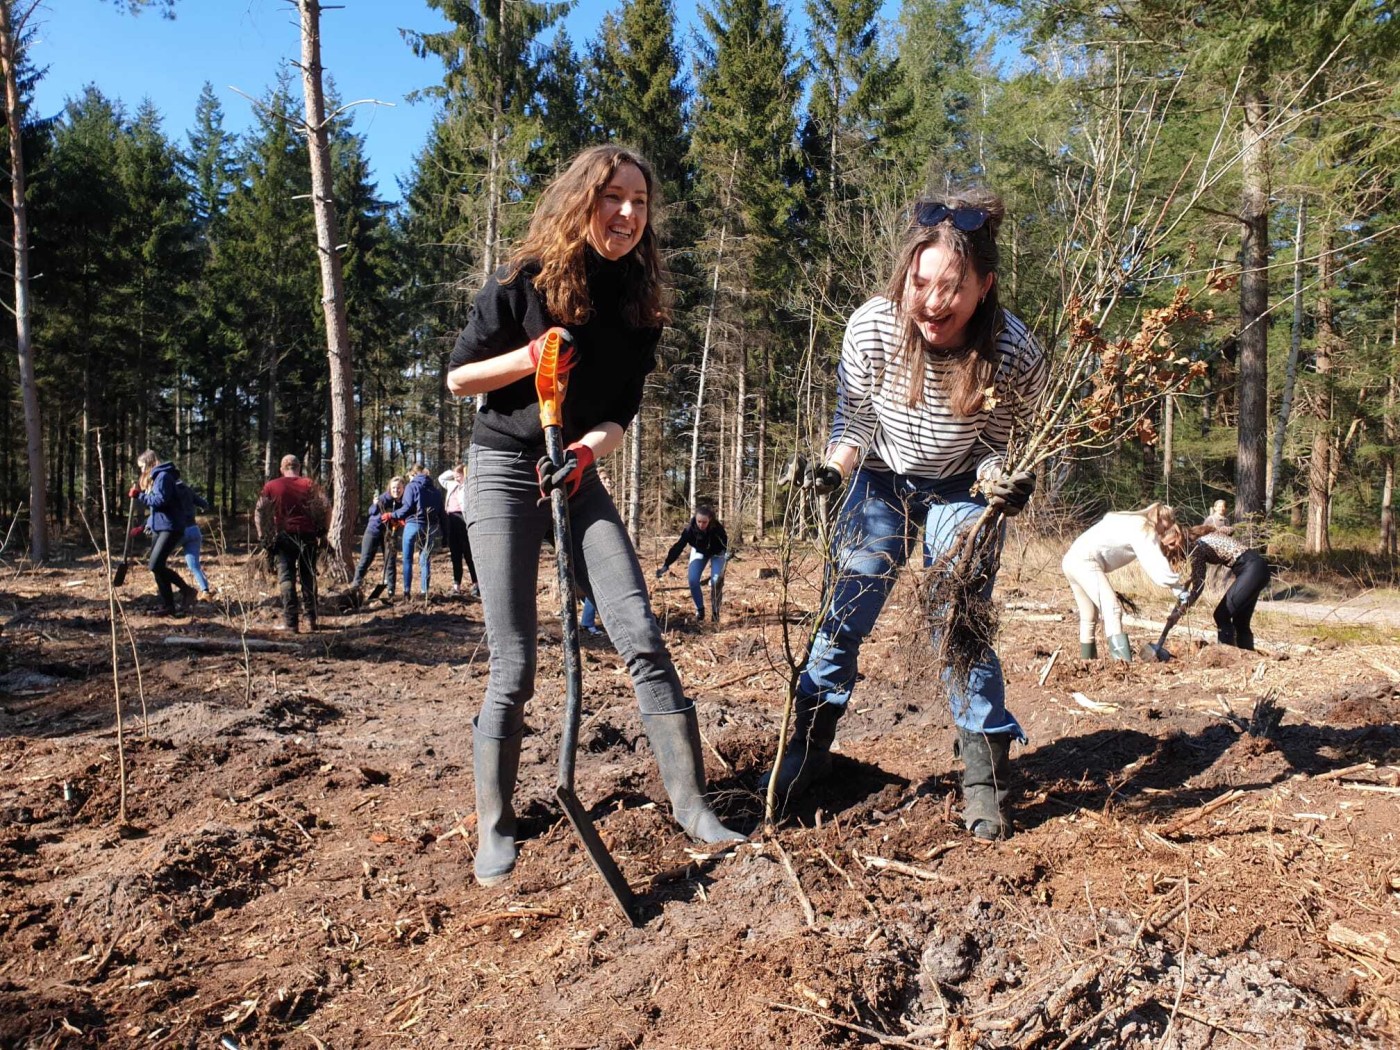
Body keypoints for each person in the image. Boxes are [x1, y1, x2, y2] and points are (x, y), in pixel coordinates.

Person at [445, 143, 743, 886]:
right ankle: (495, 826)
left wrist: (583, 454)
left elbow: (618, 418)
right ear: (583, 201)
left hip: (574, 472)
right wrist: (532, 357)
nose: (627, 213)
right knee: (515, 662)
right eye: (613, 197)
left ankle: (692, 805)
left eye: (640, 202)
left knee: (640, 630)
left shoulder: (641, 307)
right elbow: (459, 378)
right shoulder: (521, 282)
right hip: (504, 469)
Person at [766, 191, 1046, 841]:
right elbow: (856, 421)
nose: (932, 303)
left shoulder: (1014, 351)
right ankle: (805, 749)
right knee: (849, 599)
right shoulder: (874, 327)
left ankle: (984, 777)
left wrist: (1003, 482)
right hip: (880, 474)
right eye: (920, 283)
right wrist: (831, 472)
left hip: (963, 484)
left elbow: (1002, 444)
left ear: (984, 286)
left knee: (958, 614)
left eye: (952, 288)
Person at [1061, 503, 1188, 661]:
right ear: (1158, 518)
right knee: (1112, 608)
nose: (1162, 533)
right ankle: (1121, 664)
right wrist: (1178, 588)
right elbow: (1155, 564)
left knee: (1089, 615)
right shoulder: (1144, 528)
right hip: (1085, 562)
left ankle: (1087, 663)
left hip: (1070, 560)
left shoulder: (1128, 519)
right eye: (1164, 527)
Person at [1164, 525, 1270, 650]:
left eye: (1172, 544)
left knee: (1221, 615)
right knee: (1240, 622)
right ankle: (1246, 656)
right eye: (1166, 546)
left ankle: (1225, 655)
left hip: (1251, 569)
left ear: (1181, 536)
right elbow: (1229, 529)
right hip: (1258, 567)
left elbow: (1198, 588)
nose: (1170, 549)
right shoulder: (1205, 538)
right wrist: (1220, 536)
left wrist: (1180, 612)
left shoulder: (1196, 548)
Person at [255, 454, 326, 632]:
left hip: (284, 537)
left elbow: (259, 510)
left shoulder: (272, 486)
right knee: (308, 576)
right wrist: (324, 530)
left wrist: (262, 536)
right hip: (308, 536)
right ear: (299, 467)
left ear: (282, 469)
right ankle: (310, 619)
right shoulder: (309, 484)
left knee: (286, 578)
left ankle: (291, 622)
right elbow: (326, 505)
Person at [130, 450, 198, 616]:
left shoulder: (163, 477)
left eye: (142, 466)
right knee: (157, 567)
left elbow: (160, 501)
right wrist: (145, 526)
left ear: (149, 463)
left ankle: (187, 590)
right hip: (159, 527)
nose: (141, 470)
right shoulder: (155, 478)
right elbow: (156, 510)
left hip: (171, 527)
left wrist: (140, 496)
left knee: (155, 564)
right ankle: (168, 605)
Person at [656, 504, 729, 623]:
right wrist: (666, 564)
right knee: (693, 579)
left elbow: (725, 543)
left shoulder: (717, 528)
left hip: (717, 553)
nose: (701, 525)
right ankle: (700, 610)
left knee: (716, 581)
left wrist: (727, 554)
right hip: (699, 551)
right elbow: (679, 546)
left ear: (710, 520)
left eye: (704, 522)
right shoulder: (690, 530)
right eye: (699, 521)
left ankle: (715, 612)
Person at [390, 464, 443, 598]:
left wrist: (392, 515)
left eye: (409, 477)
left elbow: (407, 507)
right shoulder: (436, 490)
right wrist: (446, 534)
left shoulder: (411, 486)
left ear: (413, 474)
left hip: (413, 524)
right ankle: (424, 592)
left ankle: (406, 591)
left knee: (407, 559)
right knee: (425, 559)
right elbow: (441, 513)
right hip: (430, 527)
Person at [350, 475, 404, 595]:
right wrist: (375, 504)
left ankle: (390, 590)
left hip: (390, 534)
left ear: (403, 488)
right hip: (373, 531)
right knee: (365, 559)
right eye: (394, 488)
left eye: (399, 488)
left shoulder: (403, 501)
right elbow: (371, 511)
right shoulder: (383, 498)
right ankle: (355, 586)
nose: (396, 490)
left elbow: (405, 514)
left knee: (390, 561)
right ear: (390, 488)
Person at [439, 464, 480, 597]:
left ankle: (476, 584)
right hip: (450, 519)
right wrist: (453, 472)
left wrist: (465, 476)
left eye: (459, 476)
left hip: (463, 520)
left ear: (464, 475)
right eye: (455, 476)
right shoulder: (452, 484)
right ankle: (456, 586)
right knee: (455, 554)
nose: (457, 479)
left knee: (468, 554)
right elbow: (441, 478)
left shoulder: (468, 487)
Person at [176, 478, 213, 597]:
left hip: (177, 531)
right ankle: (205, 591)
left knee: (159, 561)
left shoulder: (169, 490)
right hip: (193, 530)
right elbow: (204, 504)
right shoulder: (188, 490)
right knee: (194, 566)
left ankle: (174, 590)